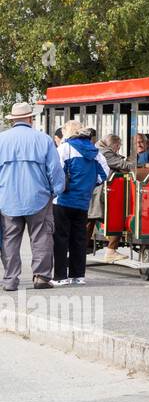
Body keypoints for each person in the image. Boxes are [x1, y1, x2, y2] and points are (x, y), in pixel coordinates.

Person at [0, 101, 64, 291]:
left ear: (13, 120)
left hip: (7, 199)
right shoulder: (43, 140)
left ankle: (10, 280)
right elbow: (55, 170)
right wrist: (57, 189)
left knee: (9, 239)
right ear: (30, 118)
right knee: (41, 237)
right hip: (39, 197)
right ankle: (41, 277)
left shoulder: (1, 140)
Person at [52, 121, 110, 286]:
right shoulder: (94, 150)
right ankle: (78, 275)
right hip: (83, 200)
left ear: (67, 132)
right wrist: (92, 184)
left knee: (61, 239)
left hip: (63, 200)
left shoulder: (65, 148)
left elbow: (56, 171)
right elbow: (105, 172)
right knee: (79, 238)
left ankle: (60, 276)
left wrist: (57, 188)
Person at [90, 133, 130, 262]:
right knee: (115, 218)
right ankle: (110, 252)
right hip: (102, 193)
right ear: (114, 145)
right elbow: (124, 166)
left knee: (91, 221)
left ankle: (78, 252)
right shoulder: (105, 153)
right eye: (118, 146)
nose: (118, 149)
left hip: (99, 192)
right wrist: (147, 165)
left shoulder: (100, 150)